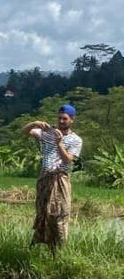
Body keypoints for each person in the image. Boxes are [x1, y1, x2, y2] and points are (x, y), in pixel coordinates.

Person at [22, 104, 83, 251]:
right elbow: (25, 132)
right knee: (43, 212)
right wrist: (35, 123)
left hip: (60, 179)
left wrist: (59, 143)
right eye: (60, 118)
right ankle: (38, 244)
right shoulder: (47, 132)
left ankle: (59, 248)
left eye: (65, 119)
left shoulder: (76, 140)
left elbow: (68, 159)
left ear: (72, 120)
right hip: (45, 177)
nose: (61, 121)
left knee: (59, 213)